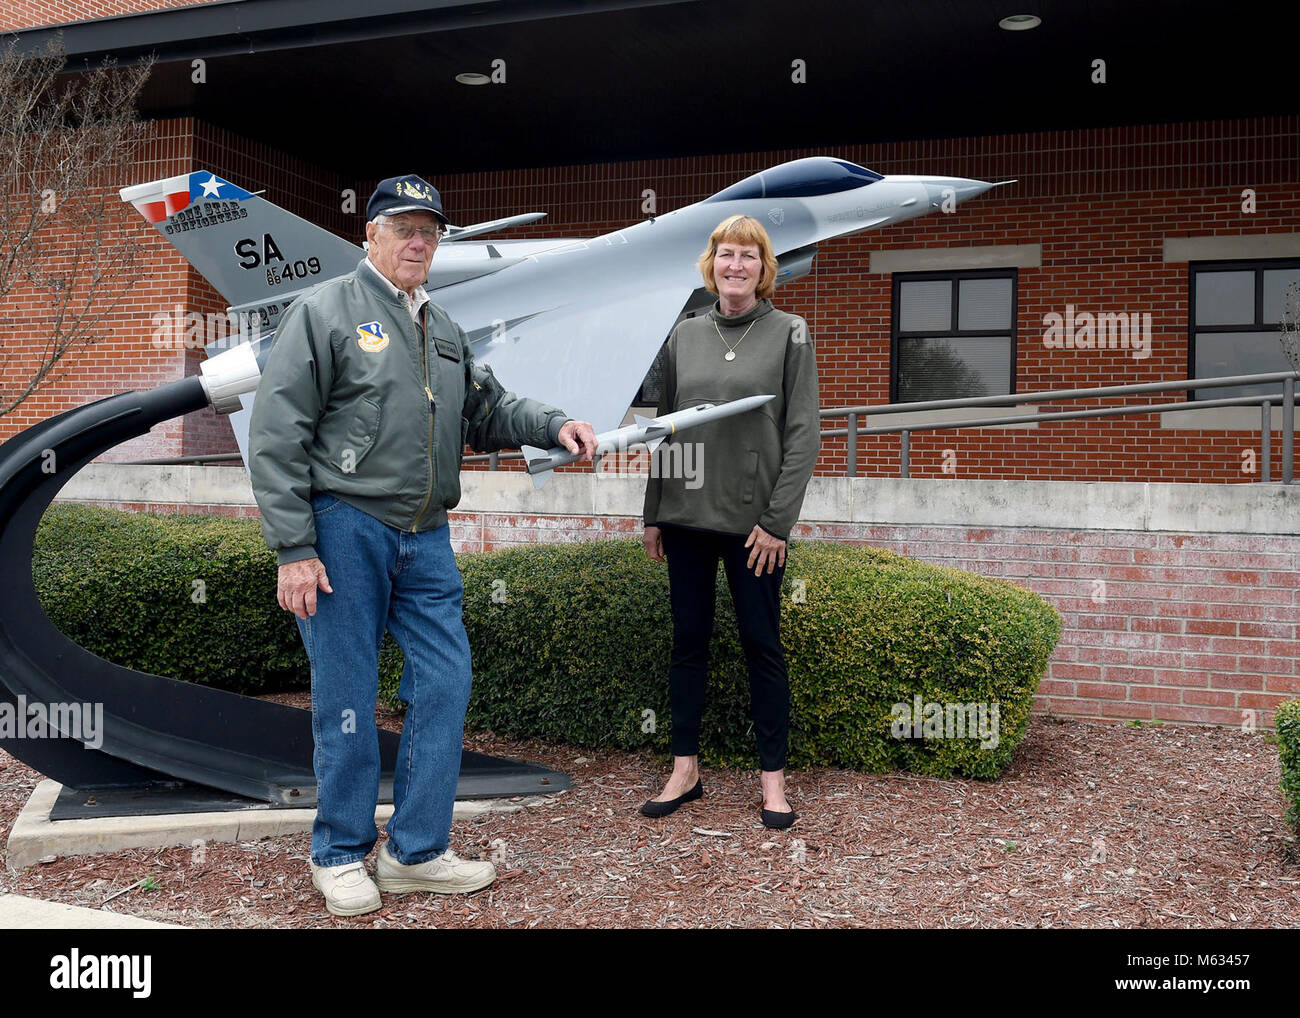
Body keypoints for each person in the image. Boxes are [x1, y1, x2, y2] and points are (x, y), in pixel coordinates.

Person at [248, 174, 597, 917]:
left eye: (429, 231)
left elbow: (488, 408)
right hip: (344, 528)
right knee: (346, 698)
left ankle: (416, 852)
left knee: (444, 682)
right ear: (368, 236)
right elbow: (276, 438)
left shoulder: (441, 327)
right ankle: (339, 853)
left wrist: (553, 424)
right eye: (403, 227)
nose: (418, 241)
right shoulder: (325, 312)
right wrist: (293, 549)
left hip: (426, 537)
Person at [641, 214, 819, 829]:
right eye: (725, 255)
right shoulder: (684, 335)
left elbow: (803, 437)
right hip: (686, 515)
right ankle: (684, 770)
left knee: (761, 646)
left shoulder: (790, 333)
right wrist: (653, 513)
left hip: (754, 527)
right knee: (688, 644)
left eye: (747, 256)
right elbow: (663, 429)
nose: (735, 265)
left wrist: (778, 522)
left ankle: (773, 781)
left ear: (763, 267)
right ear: (711, 264)